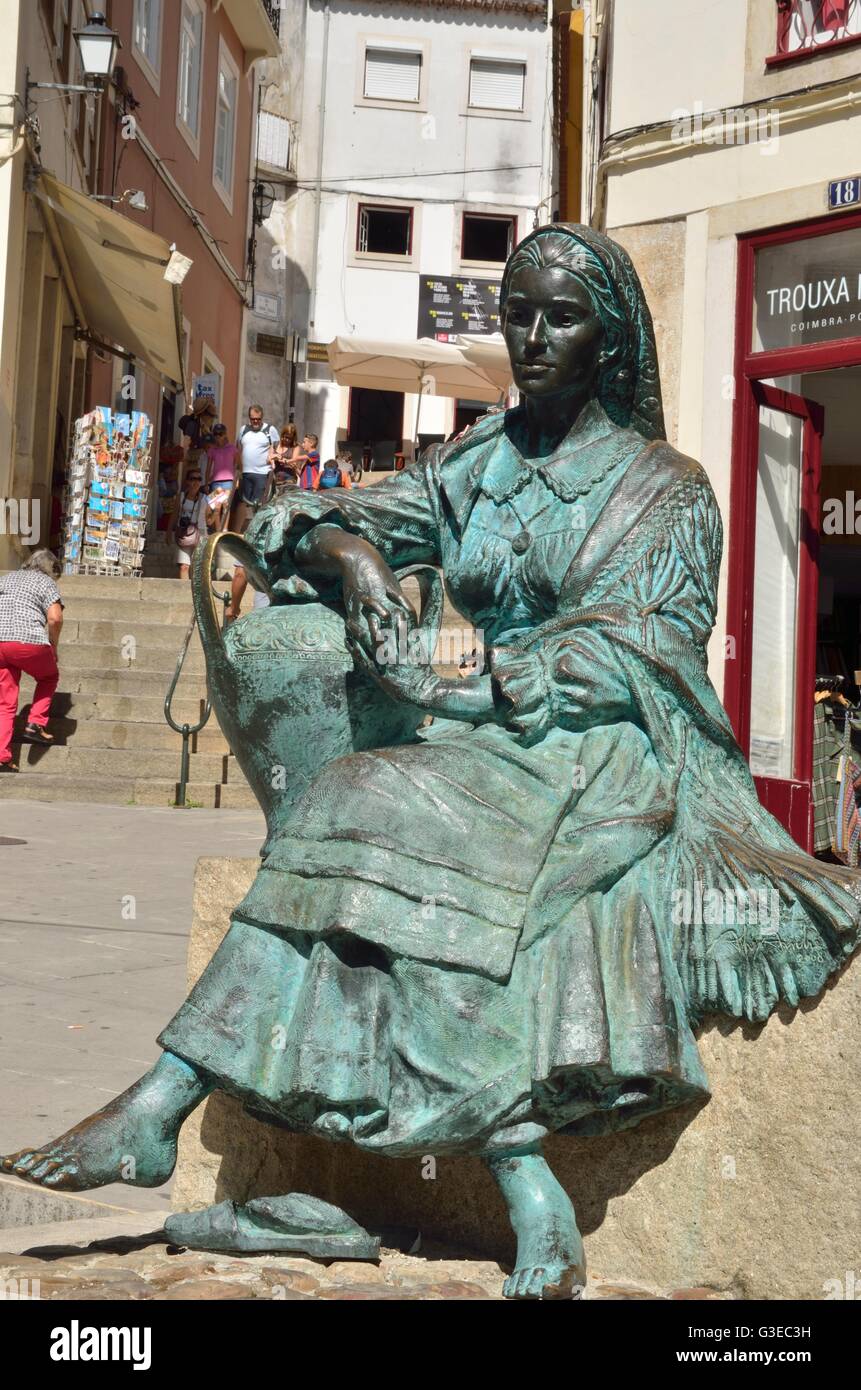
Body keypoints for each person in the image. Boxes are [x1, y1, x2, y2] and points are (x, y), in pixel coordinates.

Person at [6, 226, 861, 1303]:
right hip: (480, 742)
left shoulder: (669, 489)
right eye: (518, 314)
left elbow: (641, 649)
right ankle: (439, 1168)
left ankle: (197, 1113)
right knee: (368, 798)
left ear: (611, 341)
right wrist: (358, 557)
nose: (534, 338)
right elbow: (289, 520)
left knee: (381, 801)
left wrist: (471, 682)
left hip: (600, 751)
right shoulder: (475, 466)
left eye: (563, 317)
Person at [0, 550, 63, 773]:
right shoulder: (46, 582)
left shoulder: (6, 578)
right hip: (29, 642)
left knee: (5, 703)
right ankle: (35, 723)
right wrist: (53, 645)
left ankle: (2, 756)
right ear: (51, 568)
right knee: (49, 676)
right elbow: (55, 618)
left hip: (0, 644)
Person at [236, 406, 279, 521]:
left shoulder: (270, 430)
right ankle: (245, 531)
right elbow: (238, 449)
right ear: (249, 418)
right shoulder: (243, 430)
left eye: (258, 419)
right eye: (252, 419)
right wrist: (237, 469)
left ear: (262, 417)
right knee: (243, 504)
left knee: (259, 505)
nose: (255, 421)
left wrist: (272, 455)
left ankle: (256, 531)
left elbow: (275, 447)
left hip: (262, 473)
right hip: (245, 474)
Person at [173, 468, 208, 580]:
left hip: (201, 533)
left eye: (199, 479)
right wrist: (169, 532)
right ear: (187, 481)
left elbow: (211, 518)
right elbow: (174, 514)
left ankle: (195, 593)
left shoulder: (205, 499)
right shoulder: (181, 497)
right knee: (184, 566)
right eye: (193, 478)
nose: (196, 482)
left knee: (197, 567)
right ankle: (185, 592)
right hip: (184, 533)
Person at [205, 424, 239, 533]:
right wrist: (206, 483)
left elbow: (238, 465)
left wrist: (237, 479)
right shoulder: (212, 450)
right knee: (216, 506)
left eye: (220, 434)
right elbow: (208, 468)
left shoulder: (232, 448)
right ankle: (218, 530)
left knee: (226, 505)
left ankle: (224, 529)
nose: (218, 436)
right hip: (215, 482)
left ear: (225, 434)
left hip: (229, 481)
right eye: (215, 434)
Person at [269, 425, 300, 491]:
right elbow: (268, 459)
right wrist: (274, 456)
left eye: (290, 438)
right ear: (282, 435)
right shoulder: (275, 444)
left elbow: (294, 463)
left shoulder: (295, 447)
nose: (287, 440)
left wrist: (282, 459)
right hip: (275, 478)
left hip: (289, 478)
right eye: (286, 437)